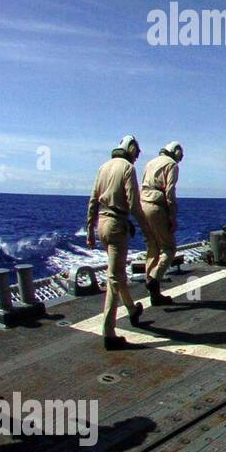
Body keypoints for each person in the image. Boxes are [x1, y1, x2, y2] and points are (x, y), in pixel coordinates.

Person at [85, 135, 148, 349]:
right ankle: (109, 333)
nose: (137, 157)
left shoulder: (103, 167)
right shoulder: (128, 169)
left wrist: (90, 230)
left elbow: (93, 199)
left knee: (117, 273)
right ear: (130, 148)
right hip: (116, 224)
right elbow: (134, 203)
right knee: (113, 279)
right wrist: (147, 229)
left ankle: (131, 310)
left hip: (102, 224)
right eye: (137, 152)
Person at [140, 141, 183, 305]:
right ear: (176, 152)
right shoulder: (171, 164)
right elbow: (170, 191)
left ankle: (154, 293)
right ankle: (154, 280)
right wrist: (172, 216)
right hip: (157, 207)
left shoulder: (150, 162)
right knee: (169, 248)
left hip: (143, 204)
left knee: (152, 247)